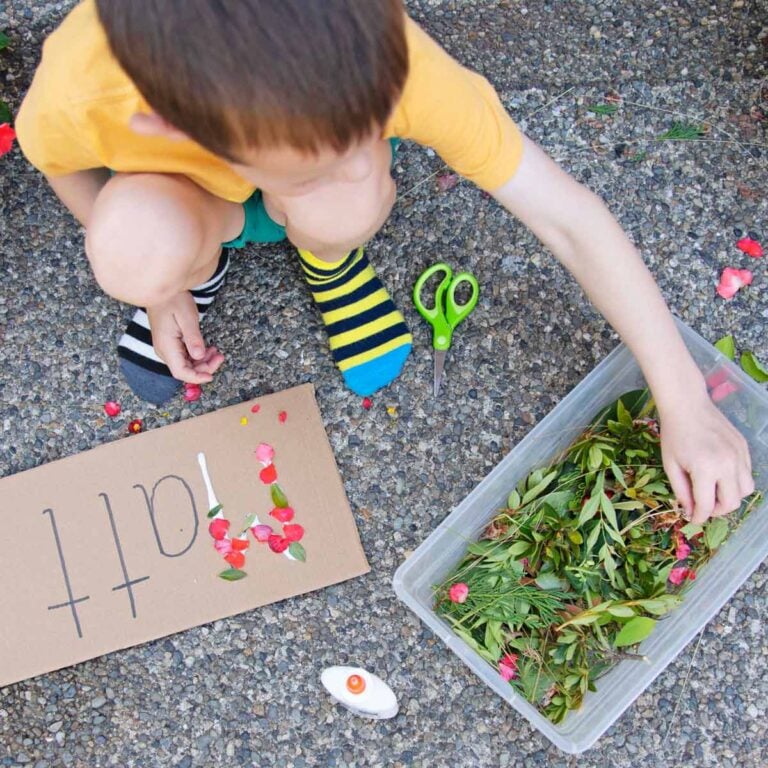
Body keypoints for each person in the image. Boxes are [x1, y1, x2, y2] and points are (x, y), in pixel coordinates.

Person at [15, 0, 753, 523]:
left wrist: (684, 399)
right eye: (312, 163)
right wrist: (163, 291)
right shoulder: (91, 82)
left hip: (296, 200)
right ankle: (193, 267)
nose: (353, 161)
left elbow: (569, 218)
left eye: (361, 136)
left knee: (346, 197)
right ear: (166, 121)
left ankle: (328, 256)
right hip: (188, 197)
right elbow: (56, 161)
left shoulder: (393, 62)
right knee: (129, 248)